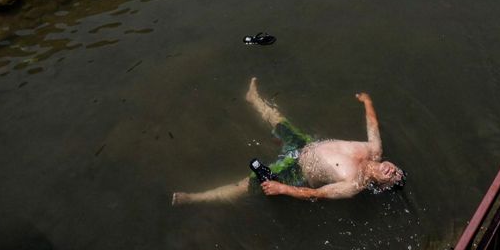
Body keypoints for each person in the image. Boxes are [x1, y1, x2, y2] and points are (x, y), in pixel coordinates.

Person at [171, 78, 405, 204]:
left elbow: (316, 194)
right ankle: (252, 99)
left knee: (246, 185)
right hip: (305, 145)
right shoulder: (375, 150)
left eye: (392, 178)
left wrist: (283, 188)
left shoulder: (353, 185)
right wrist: (367, 102)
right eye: (397, 171)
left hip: (296, 169)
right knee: (280, 121)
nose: (392, 172)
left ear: (383, 185)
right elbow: (372, 125)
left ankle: (194, 198)